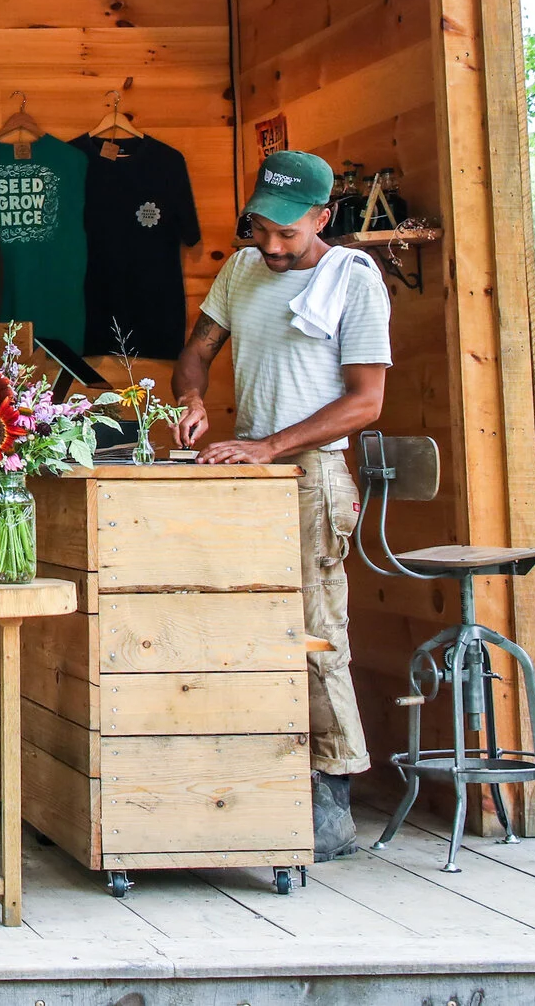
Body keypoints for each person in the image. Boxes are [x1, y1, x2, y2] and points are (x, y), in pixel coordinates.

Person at [173, 148, 390, 859]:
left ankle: (332, 797)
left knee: (316, 630)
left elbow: (365, 401)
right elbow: (197, 352)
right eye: (260, 228)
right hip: (250, 475)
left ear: (322, 218)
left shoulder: (353, 280)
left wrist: (270, 445)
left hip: (312, 476)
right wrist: (193, 398)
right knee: (246, 626)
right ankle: (263, 781)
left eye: (286, 233)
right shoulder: (240, 271)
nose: (270, 244)